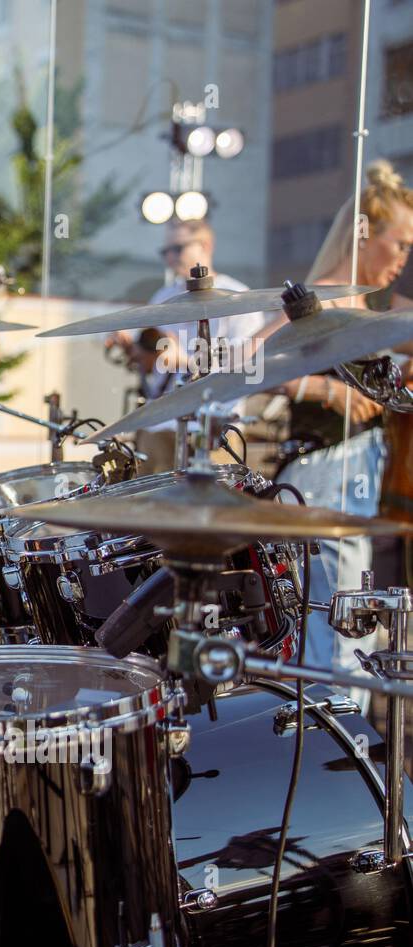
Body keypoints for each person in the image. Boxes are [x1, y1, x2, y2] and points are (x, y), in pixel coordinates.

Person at [259, 160, 413, 696]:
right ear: (365, 236)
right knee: (339, 631)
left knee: (345, 624)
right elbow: (250, 363)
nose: (403, 260)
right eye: (400, 244)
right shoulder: (321, 298)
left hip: (351, 474)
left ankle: (338, 748)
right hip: (324, 472)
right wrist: (326, 389)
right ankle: (340, 758)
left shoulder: (364, 307)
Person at [111, 219, 268, 472]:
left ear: (205, 245)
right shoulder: (163, 297)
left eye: (178, 249)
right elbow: (154, 365)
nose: (170, 258)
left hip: (213, 429)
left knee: (208, 509)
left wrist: (184, 360)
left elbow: (250, 368)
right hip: (160, 424)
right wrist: (136, 351)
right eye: (165, 252)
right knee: (152, 504)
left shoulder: (239, 297)